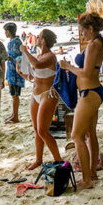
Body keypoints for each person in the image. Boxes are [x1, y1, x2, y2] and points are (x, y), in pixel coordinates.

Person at [59, 13, 103, 189]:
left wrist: (68, 67)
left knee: (76, 135)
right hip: (92, 92)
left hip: (90, 93)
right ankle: (92, 173)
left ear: (90, 28)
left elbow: (86, 73)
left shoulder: (94, 45)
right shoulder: (97, 43)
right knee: (89, 134)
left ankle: (86, 180)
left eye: (82, 31)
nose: (81, 35)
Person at [22, 29, 61, 170]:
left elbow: (37, 65)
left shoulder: (50, 56)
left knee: (43, 131)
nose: (36, 38)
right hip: (36, 94)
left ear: (43, 40)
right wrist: (21, 73)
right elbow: (35, 76)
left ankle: (59, 160)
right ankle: (38, 160)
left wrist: (25, 51)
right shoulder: (39, 55)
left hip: (48, 94)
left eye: (38, 37)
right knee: (36, 129)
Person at [3, 23, 24, 124]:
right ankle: (14, 114)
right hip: (13, 72)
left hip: (15, 73)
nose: (5, 33)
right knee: (14, 95)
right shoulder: (14, 41)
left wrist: (5, 57)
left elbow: (16, 57)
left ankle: (15, 116)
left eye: (5, 31)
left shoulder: (14, 42)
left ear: (8, 31)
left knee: (15, 95)